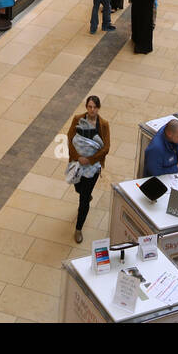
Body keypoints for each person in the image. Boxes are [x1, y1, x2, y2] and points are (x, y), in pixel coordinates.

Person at [67, 95, 111, 243]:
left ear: (98, 108)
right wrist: (77, 157)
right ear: (86, 107)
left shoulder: (103, 124)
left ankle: (78, 228)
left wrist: (90, 160)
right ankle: (84, 194)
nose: (92, 110)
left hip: (92, 167)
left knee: (83, 200)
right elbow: (70, 137)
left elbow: (106, 147)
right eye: (89, 107)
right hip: (77, 163)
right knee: (78, 188)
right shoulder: (77, 119)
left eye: (95, 107)